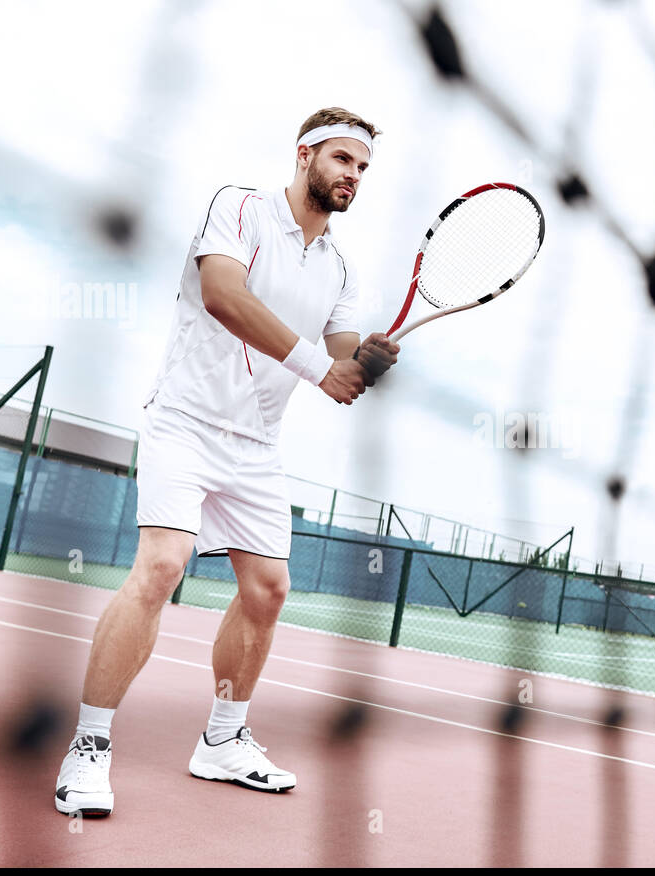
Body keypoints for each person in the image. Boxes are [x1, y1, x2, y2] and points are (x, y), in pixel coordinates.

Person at [54, 107, 398, 817]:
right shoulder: (239, 208)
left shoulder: (340, 267)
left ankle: (221, 739)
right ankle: (88, 746)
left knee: (269, 590)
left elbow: (341, 359)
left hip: (256, 443)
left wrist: (368, 361)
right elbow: (223, 295)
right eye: (341, 159)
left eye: (362, 168)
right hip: (185, 418)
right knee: (161, 566)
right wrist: (319, 367)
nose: (352, 176)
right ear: (305, 156)